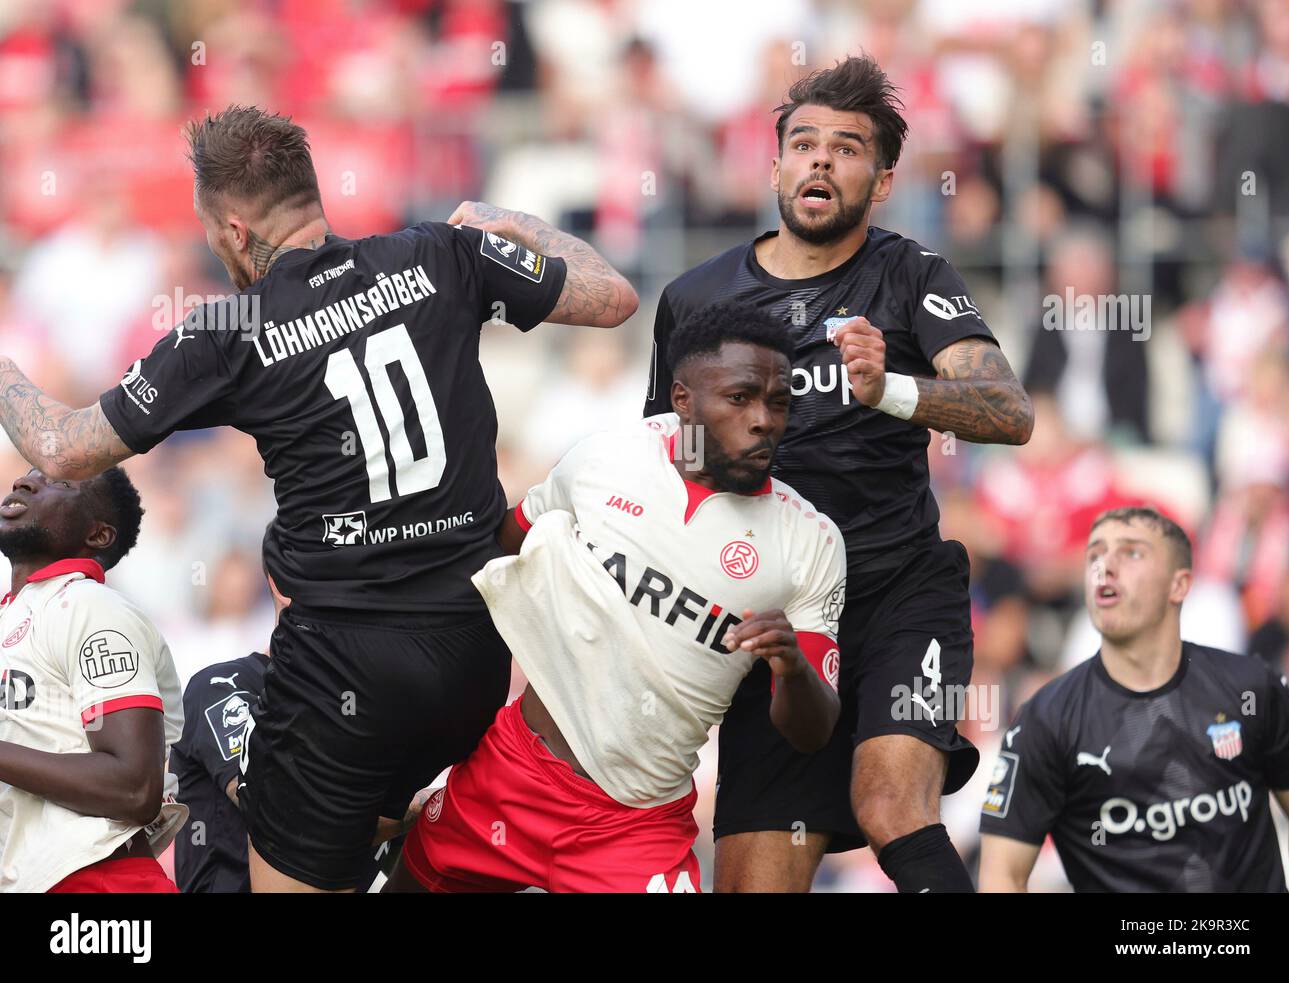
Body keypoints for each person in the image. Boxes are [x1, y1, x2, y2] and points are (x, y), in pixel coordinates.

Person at [0, 105, 638, 892]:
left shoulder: (231, 325)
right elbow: (613, 297)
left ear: (234, 230)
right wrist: (511, 222)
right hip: (475, 653)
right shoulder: (440, 251)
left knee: (215, 709)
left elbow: (60, 445)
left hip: (344, 667)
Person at [644, 56, 1033, 892]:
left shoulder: (911, 276)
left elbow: (1009, 410)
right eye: (804, 143)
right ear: (774, 162)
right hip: (773, 622)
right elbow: (668, 459)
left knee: (893, 804)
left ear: (882, 180)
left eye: (848, 148)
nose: (821, 160)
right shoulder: (694, 299)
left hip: (899, 594)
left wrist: (891, 388)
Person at [387, 301, 845, 892]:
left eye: (777, 402)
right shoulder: (607, 458)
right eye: (740, 398)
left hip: (635, 828)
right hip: (511, 776)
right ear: (682, 400)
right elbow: (500, 547)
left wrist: (792, 667)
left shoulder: (810, 542)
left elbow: (813, 731)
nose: (763, 420)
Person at [979, 507, 1289, 892]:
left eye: (1131, 552)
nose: (1105, 566)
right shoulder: (1046, 718)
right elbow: (1002, 874)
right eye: (1095, 554)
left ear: (1179, 585)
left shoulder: (1252, 687)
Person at [170, 564, 428, 892]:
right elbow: (277, 811)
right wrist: (420, 808)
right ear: (281, 585)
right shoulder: (221, 688)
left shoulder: (387, 712)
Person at [0, 466, 185, 892]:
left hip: (101, 881)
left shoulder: (91, 606)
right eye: (27, 476)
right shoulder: (16, 616)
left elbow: (135, 787)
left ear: (99, 535)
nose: (24, 483)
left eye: (59, 484)